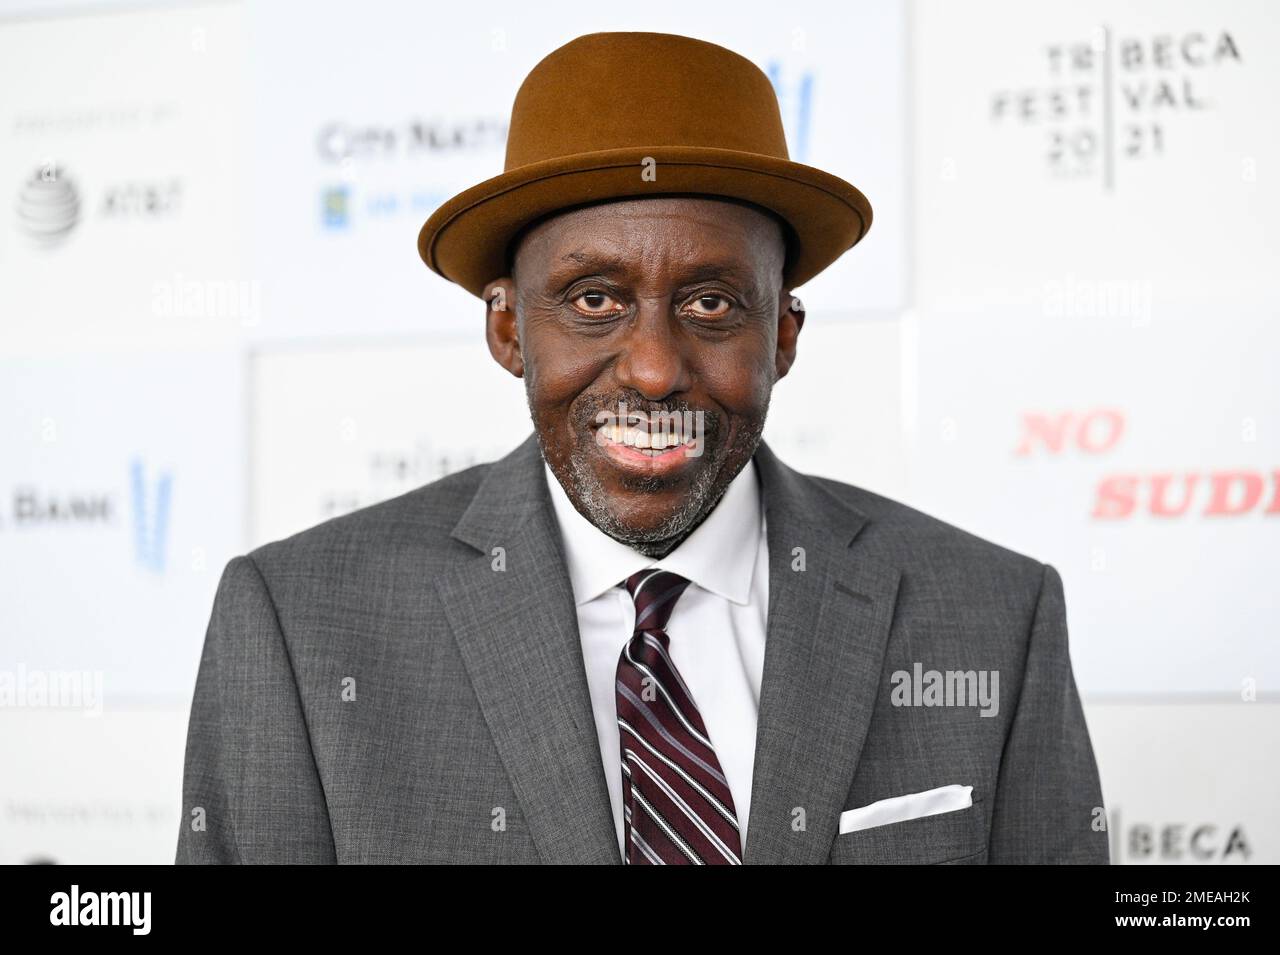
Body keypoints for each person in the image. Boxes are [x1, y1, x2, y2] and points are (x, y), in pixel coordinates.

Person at [176, 31, 1107, 864]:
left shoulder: (995, 615)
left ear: (783, 333)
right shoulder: (300, 626)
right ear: (507, 330)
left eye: (711, 303)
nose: (655, 369)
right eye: (594, 300)